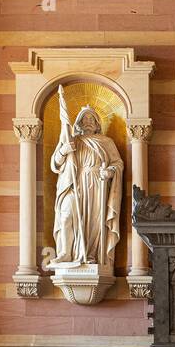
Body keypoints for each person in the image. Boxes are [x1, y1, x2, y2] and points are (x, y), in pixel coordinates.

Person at [49, 87, 123, 266]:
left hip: (97, 185)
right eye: (85, 119)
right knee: (66, 215)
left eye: (91, 119)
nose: (88, 122)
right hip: (73, 184)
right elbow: (55, 164)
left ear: (97, 123)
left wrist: (110, 171)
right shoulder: (71, 140)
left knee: (93, 225)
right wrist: (64, 151)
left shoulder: (106, 142)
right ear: (78, 123)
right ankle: (66, 253)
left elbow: (118, 163)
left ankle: (90, 255)